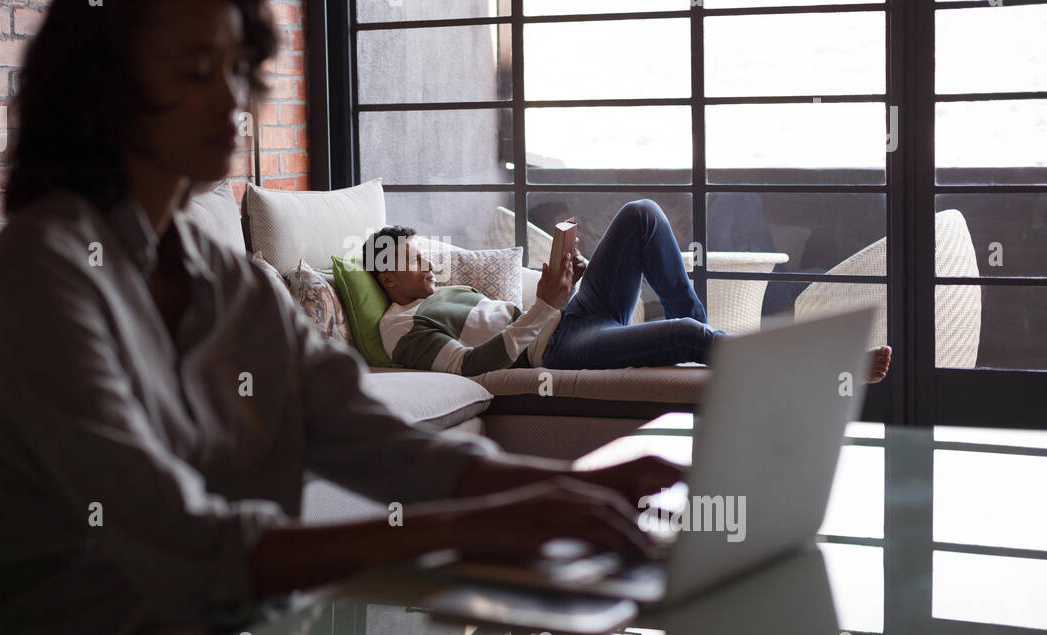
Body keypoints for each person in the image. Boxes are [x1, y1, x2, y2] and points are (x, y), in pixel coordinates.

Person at [0, 0, 682, 635]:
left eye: (236, 67)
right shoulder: (39, 277)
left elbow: (378, 441)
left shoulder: (232, 288)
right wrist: (477, 524)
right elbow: (178, 542)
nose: (231, 96)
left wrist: (561, 489)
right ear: (104, 88)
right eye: (197, 70)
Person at [369, 211, 892, 381]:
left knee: (642, 214)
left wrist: (573, 276)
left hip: (571, 313)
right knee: (687, 335)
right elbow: (472, 369)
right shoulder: (400, 329)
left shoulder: (449, 289)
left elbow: (520, 311)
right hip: (554, 348)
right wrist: (546, 307)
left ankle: (704, 342)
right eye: (417, 259)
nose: (430, 262)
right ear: (388, 278)